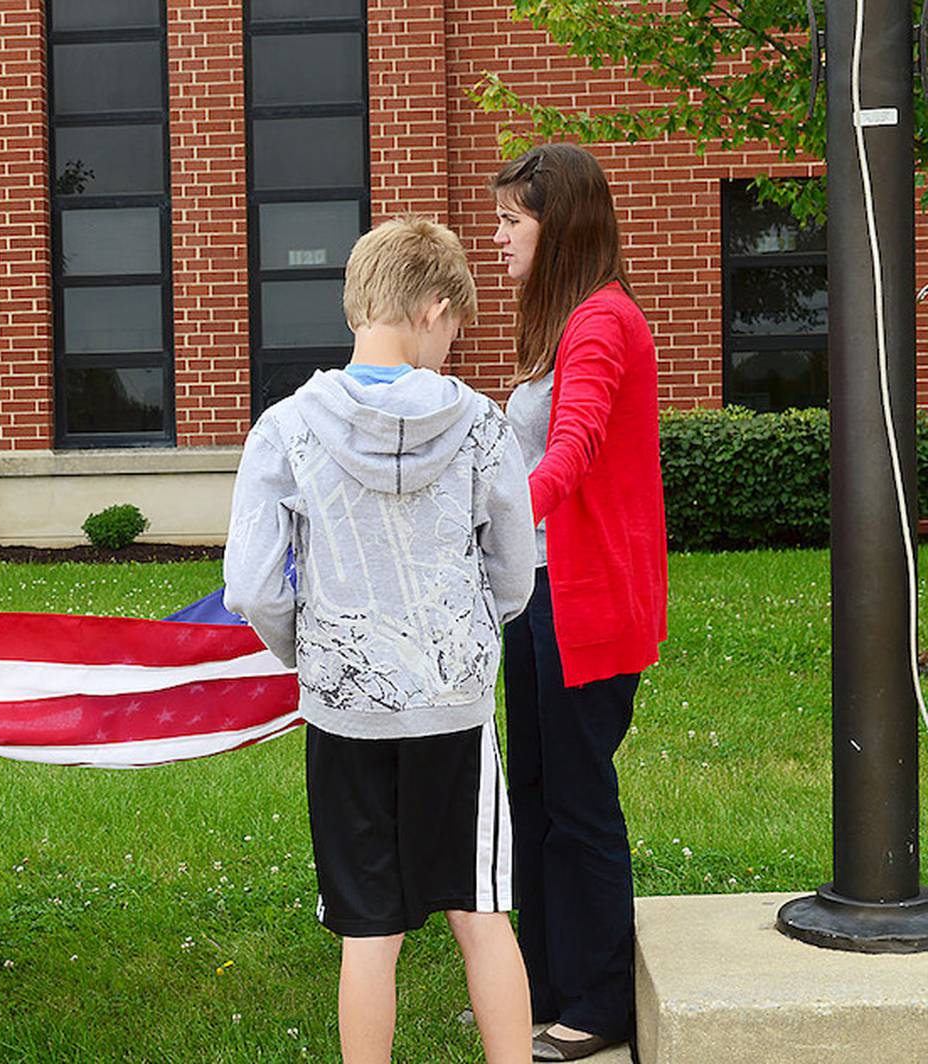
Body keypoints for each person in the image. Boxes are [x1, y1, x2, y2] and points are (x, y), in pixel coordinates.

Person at [224, 217, 536, 1064]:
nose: (451, 350)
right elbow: (515, 570)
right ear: (435, 307)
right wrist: (470, 637)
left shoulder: (285, 429)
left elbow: (252, 583)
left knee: (369, 930)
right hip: (453, 711)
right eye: (455, 331)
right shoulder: (482, 425)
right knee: (482, 914)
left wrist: (313, 650)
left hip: (346, 711)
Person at [490, 144, 668, 1062]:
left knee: (580, 800)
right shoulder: (563, 323)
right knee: (537, 795)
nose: (498, 238)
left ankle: (601, 1002)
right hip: (541, 594)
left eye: (512, 220)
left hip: (586, 601)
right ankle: (550, 984)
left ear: (558, 224)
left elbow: (573, 449)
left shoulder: (602, 323)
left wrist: (490, 521)